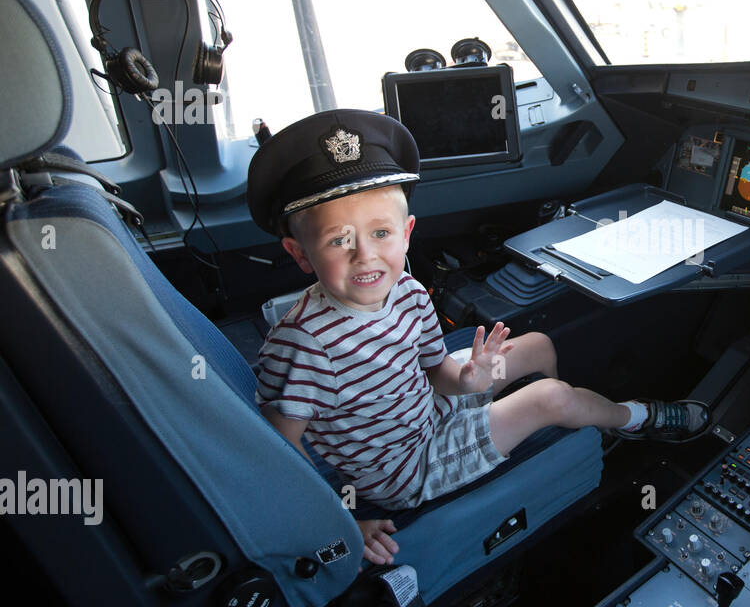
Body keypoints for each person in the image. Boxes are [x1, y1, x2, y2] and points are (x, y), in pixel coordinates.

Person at [246, 109, 710, 567]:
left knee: (537, 347)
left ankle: (559, 424)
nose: (365, 257)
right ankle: (632, 419)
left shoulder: (406, 290)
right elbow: (280, 458)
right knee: (549, 396)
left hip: (428, 408)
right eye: (338, 241)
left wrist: (470, 378)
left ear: (407, 234)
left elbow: (438, 374)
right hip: (405, 470)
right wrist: (345, 520)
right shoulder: (302, 347)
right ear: (299, 254)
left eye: (381, 233)